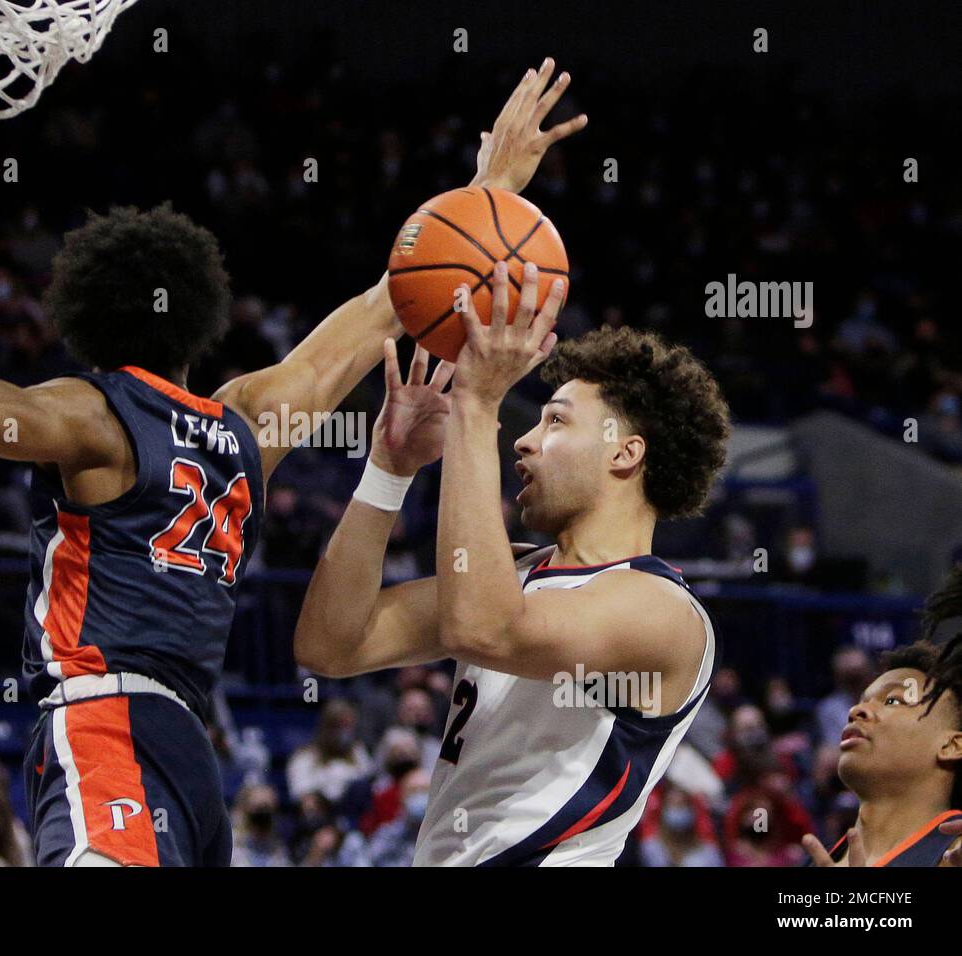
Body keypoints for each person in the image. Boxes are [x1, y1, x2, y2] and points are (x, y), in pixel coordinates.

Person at [0, 58, 585, 867]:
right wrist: (489, 193)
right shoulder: (246, 427)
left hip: (110, 725)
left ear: (87, 321)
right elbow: (397, 291)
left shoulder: (94, 417)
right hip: (186, 750)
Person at [294, 277, 731, 865]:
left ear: (624, 452)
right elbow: (330, 645)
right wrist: (389, 471)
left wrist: (476, 404)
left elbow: (486, 628)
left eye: (555, 421)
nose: (523, 441)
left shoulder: (663, 610)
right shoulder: (518, 576)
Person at [803, 566, 962, 867]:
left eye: (893, 699)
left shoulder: (954, 854)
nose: (856, 711)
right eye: (863, 700)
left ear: (952, 745)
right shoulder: (817, 860)